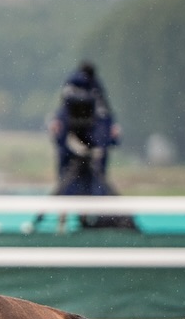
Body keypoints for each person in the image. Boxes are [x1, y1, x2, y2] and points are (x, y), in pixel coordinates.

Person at [47, 61, 132, 229]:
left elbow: (61, 125)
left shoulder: (69, 93)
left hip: (72, 152)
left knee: (67, 185)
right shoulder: (97, 95)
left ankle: (61, 225)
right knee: (88, 185)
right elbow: (105, 125)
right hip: (84, 151)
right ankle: (86, 222)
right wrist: (105, 139)